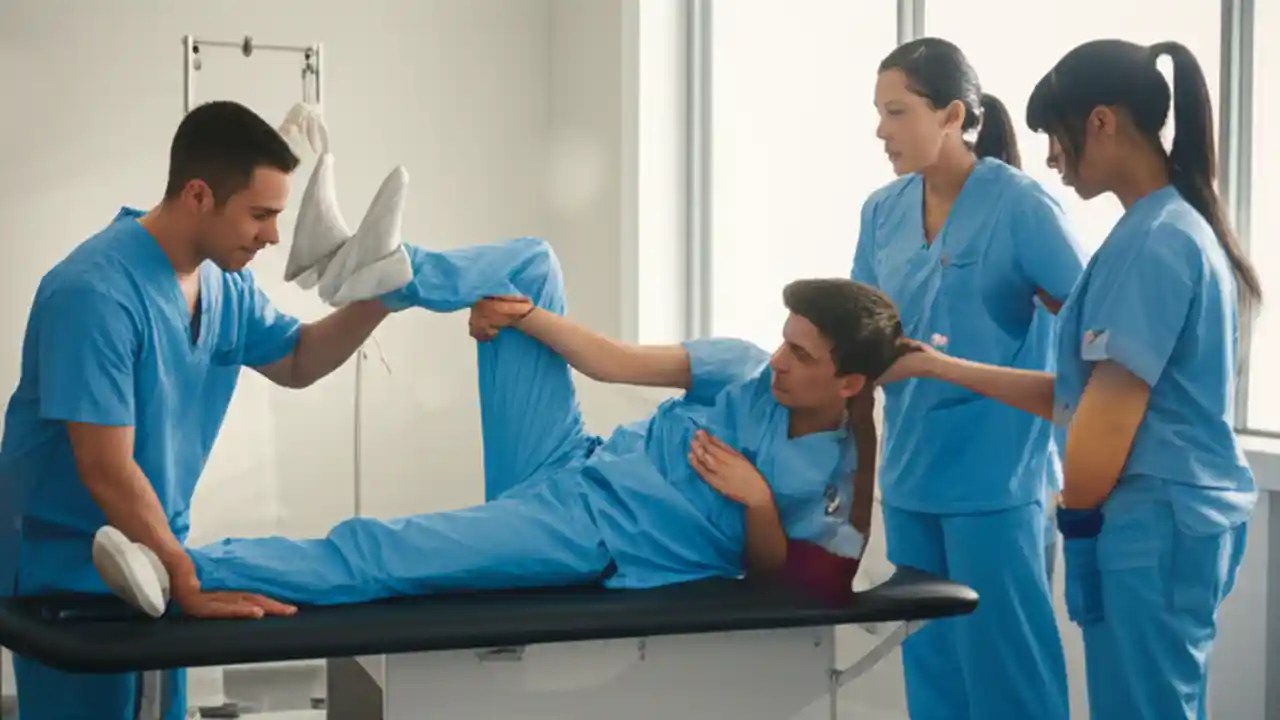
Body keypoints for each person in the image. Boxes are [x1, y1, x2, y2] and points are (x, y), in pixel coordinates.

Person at [93, 235, 896, 621]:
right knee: (533, 265)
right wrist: (524, 319)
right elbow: (611, 363)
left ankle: (176, 566)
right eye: (782, 339)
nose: (777, 361)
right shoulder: (741, 364)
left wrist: (756, 501)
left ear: (849, 380)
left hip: (590, 534)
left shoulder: (832, 476)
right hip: (570, 461)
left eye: (799, 353)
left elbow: (775, 576)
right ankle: (386, 274)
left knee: (382, 551)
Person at [879, 39, 1260, 720]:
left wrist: (1074, 520)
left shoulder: (1156, 241)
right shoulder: (1153, 231)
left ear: (1103, 124)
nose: (1052, 158)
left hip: (1145, 522)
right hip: (1147, 520)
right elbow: (1075, 394)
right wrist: (939, 366)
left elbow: (1105, 419)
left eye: (1058, 137)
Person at [0, 101, 411, 720]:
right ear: (198, 195)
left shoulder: (223, 285)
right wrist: (185, 578)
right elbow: (105, 469)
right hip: (71, 577)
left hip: (160, 563)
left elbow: (297, 359)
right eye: (260, 214)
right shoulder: (94, 295)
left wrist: (387, 294)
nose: (273, 235)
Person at [852, 37, 1085, 719]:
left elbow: (1098, 326)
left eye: (896, 112)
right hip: (912, 478)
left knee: (1010, 680)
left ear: (952, 114)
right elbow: (866, 327)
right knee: (936, 681)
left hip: (996, 484)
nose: (880, 130)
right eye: (877, 112)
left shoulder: (1021, 207)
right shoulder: (882, 211)